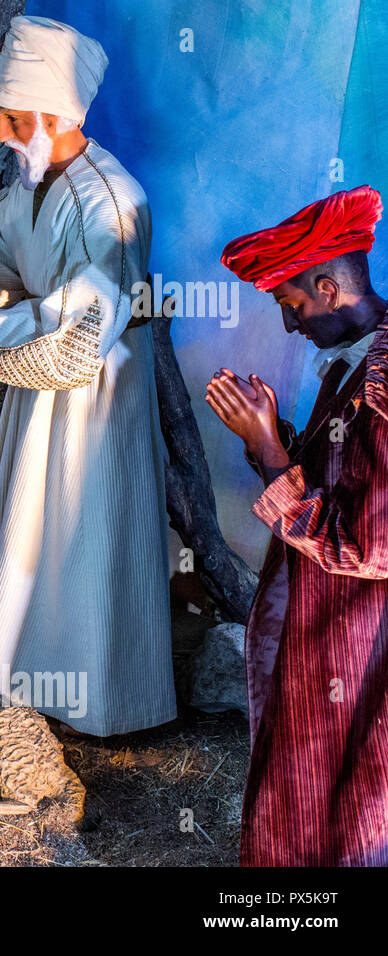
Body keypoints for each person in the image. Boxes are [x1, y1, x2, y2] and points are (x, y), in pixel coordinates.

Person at [0, 15, 175, 736]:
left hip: (94, 403)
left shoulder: (112, 205)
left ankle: (97, 706)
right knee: (30, 535)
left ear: (53, 115)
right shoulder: (36, 181)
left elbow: (81, 340)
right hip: (38, 395)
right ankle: (20, 684)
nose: (5, 135)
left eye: (13, 121)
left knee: (81, 539)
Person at [210, 184, 388, 867]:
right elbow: (339, 480)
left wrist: (268, 449)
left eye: (291, 306)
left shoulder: (380, 383)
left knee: (349, 796)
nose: (288, 325)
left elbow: (369, 544)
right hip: (333, 630)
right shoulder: (358, 365)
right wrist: (274, 435)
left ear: (325, 285)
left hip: (360, 642)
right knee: (314, 786)